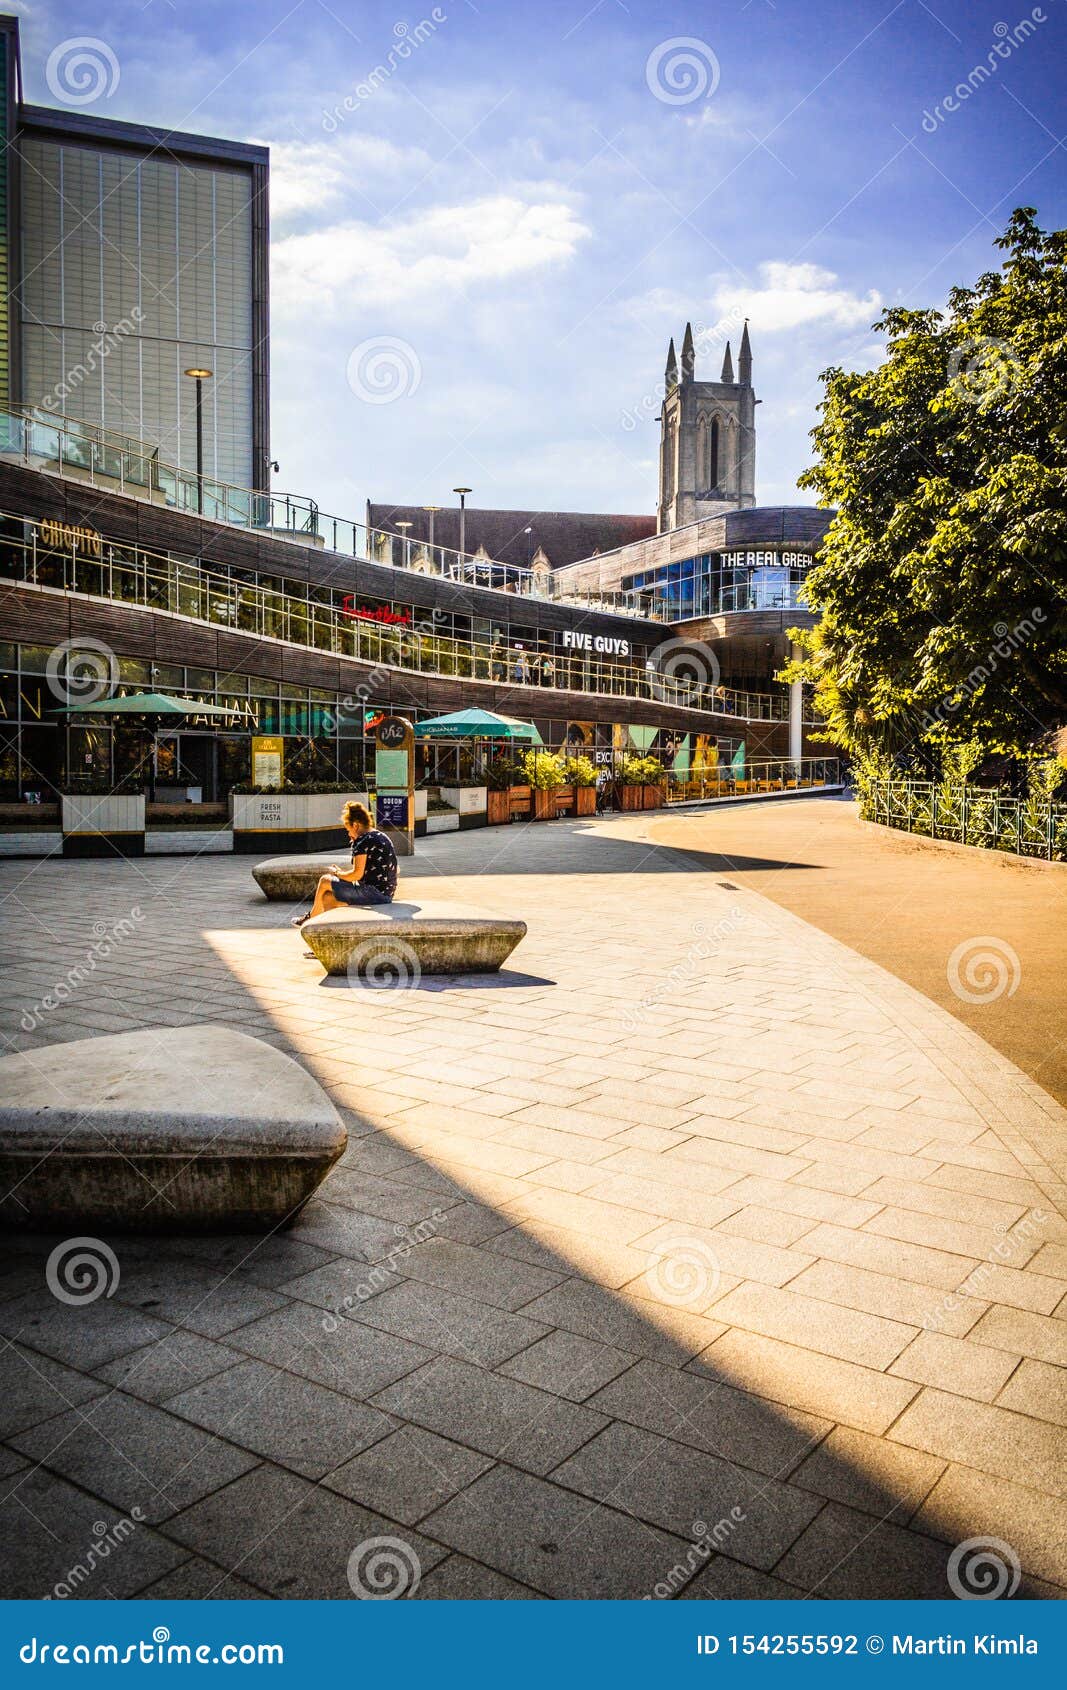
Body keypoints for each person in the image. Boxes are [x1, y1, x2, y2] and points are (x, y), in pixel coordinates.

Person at [292, 800, 398, 927]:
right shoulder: (380, 835)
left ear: (355, 825)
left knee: (325, 880)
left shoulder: (362, 840)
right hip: (386, 894)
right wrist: (342, 874)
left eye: (348, 830)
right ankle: (325, 928)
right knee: (327, 898)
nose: (348, 834)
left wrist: (337, 873)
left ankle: (311, 918)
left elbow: (357, 875)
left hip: (373, 893)